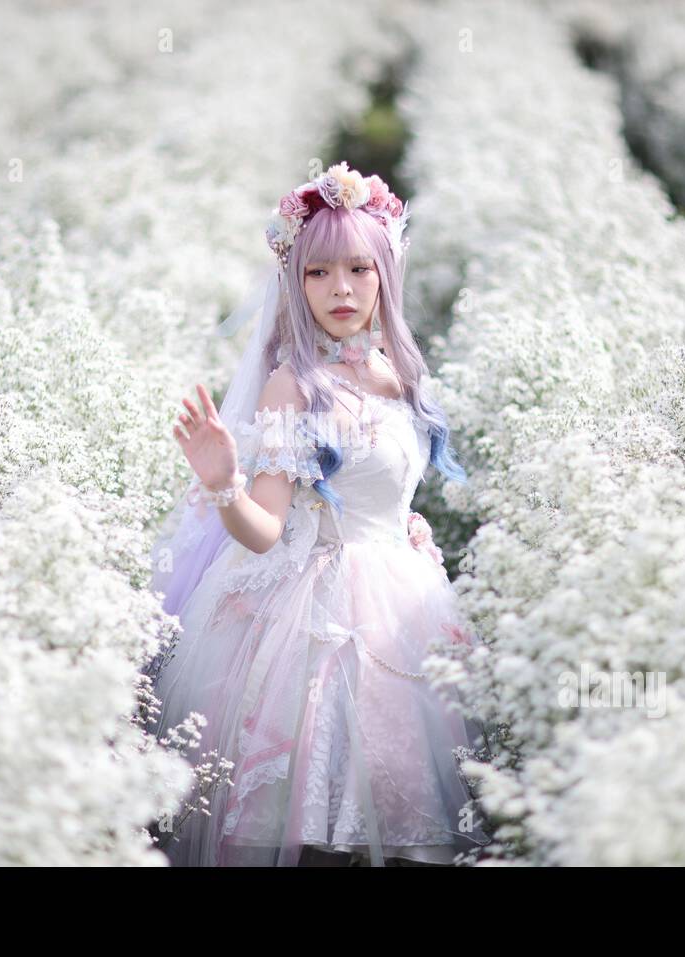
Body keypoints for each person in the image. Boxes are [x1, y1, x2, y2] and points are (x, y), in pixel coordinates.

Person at [147, 161, 490, 867]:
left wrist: (409, 528)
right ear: (294, 282)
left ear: (385, 275)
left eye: (360, 270)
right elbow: (264, 530)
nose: (341, 289)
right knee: (314, 823)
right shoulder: (291, 385)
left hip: (406, 601)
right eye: (319, 273)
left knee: (408, 822)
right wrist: (223, 485)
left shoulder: (404, 376)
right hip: (318, 612)